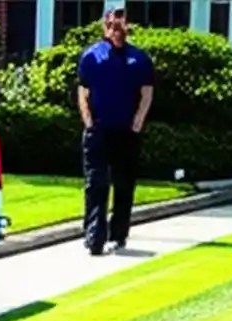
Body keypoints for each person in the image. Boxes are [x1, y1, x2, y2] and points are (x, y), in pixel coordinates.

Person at [77, 6, 154, 256]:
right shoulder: (91, 57)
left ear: (126, 27)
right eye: (110, 26)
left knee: (123, 185)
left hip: (126, 132)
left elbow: (146, 94)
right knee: (96, 184)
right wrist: (88, 122)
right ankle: (94, 237)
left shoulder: (139, 60)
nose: (115, 31)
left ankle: (118, 234)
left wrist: (138, 122)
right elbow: (83, 92)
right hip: (98, 131)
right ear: (104, 27)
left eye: (119, 26)